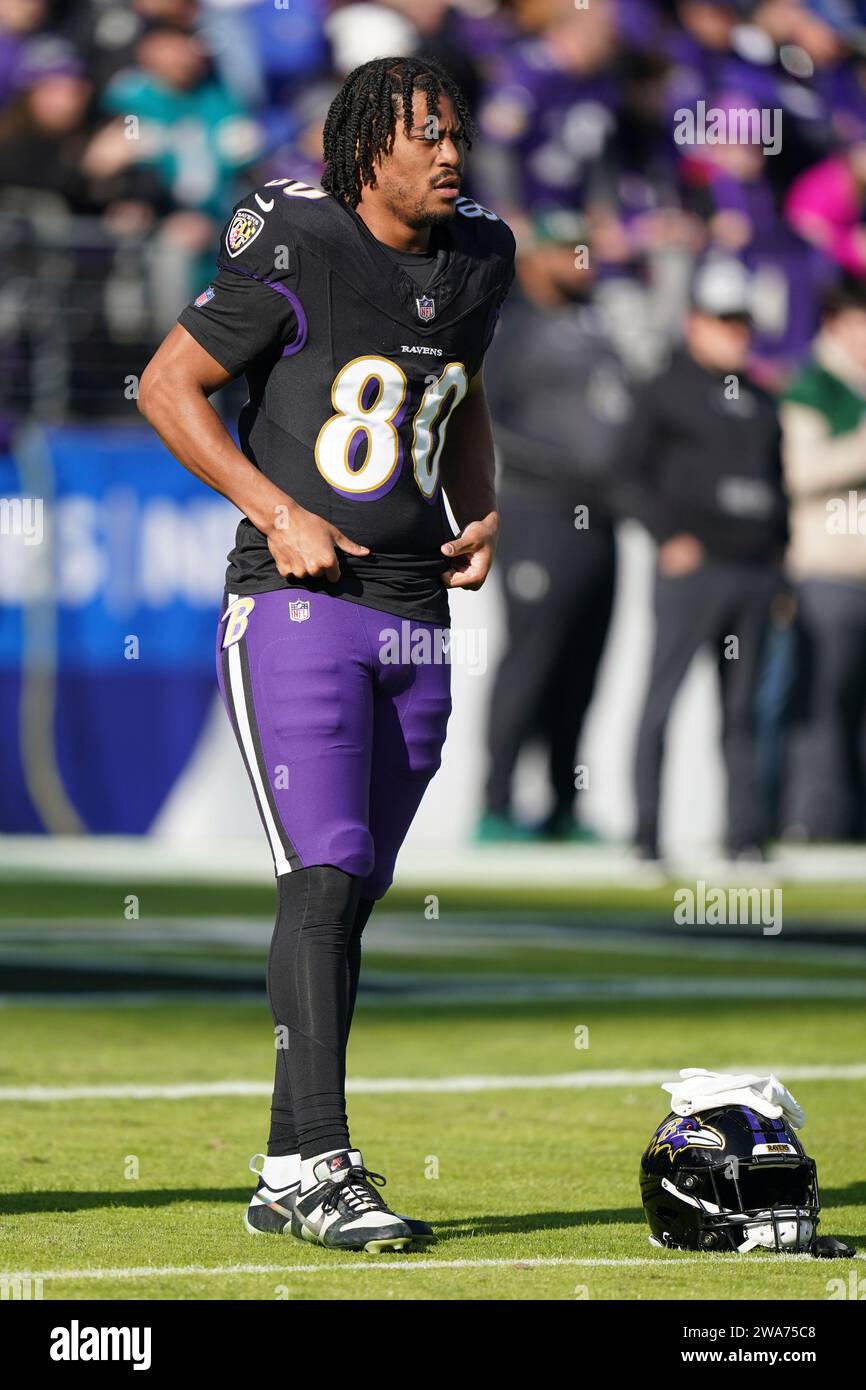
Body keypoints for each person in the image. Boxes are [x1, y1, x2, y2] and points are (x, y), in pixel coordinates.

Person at [137, 55, 515, 1252]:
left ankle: (285, 1161)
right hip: (301, 605)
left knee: (348, 894)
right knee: (321, 873)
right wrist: (273, 507)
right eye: (424, 137)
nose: (449, 154)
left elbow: (459, 392)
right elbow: (167, 385)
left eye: (455, 132)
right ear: (366, 151)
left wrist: (480, 500)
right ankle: (322, 1158)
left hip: (418, 611)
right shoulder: (297, 242)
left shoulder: (478, 255)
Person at [619, 260, 788, 863]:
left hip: (754, 573)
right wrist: (668, 537)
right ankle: (647, 838)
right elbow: (626, 475)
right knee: (662, 699)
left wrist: (781, 567)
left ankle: (745, 837)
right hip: (695, 571)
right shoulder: (664, 388)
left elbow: (777, 485)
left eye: (742, 321)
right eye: (723, 319)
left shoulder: (763, 397)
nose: (734, 332)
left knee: (746, 710)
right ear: (694, 322)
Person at [479, 213, 630, 841]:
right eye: (566, 250)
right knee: (531, 657)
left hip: (603, 519)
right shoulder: (508, 329)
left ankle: (565, 801)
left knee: (583, 662)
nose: (580, 261)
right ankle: (496, 804)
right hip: (540, 511)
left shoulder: (601, 327)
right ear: (534, 260)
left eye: (585, 250)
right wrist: (573, 470)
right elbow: (482, 421)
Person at [780, 278, 866, 840]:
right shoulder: (813, 387)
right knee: (822, 705)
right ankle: (814, 820)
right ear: (836, 323)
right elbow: (800, 473)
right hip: (827, 572)